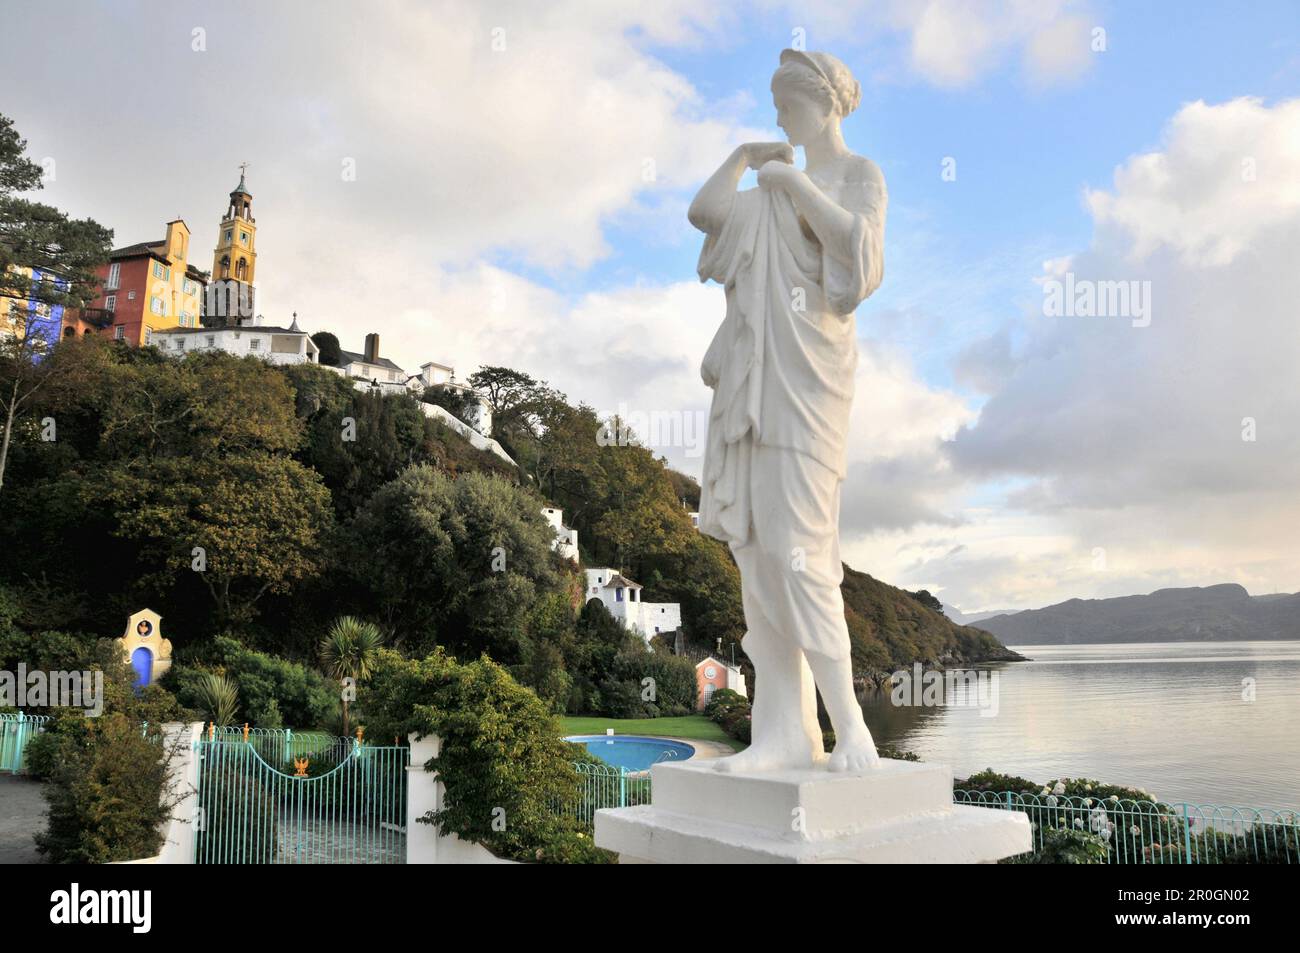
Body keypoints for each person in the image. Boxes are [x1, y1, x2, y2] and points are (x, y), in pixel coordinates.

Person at [689, 49, 887, 773]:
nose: (778, 116)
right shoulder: (767, 189)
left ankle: (854, 731)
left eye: (787, 104)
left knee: (802, 556)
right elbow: (704, 213)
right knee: (759, 558)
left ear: (824, 105)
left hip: (810, 385)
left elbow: (857, 267)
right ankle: (782, 732)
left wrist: (795, 184)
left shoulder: (858, 175)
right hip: (753, 388)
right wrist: (746, 156)